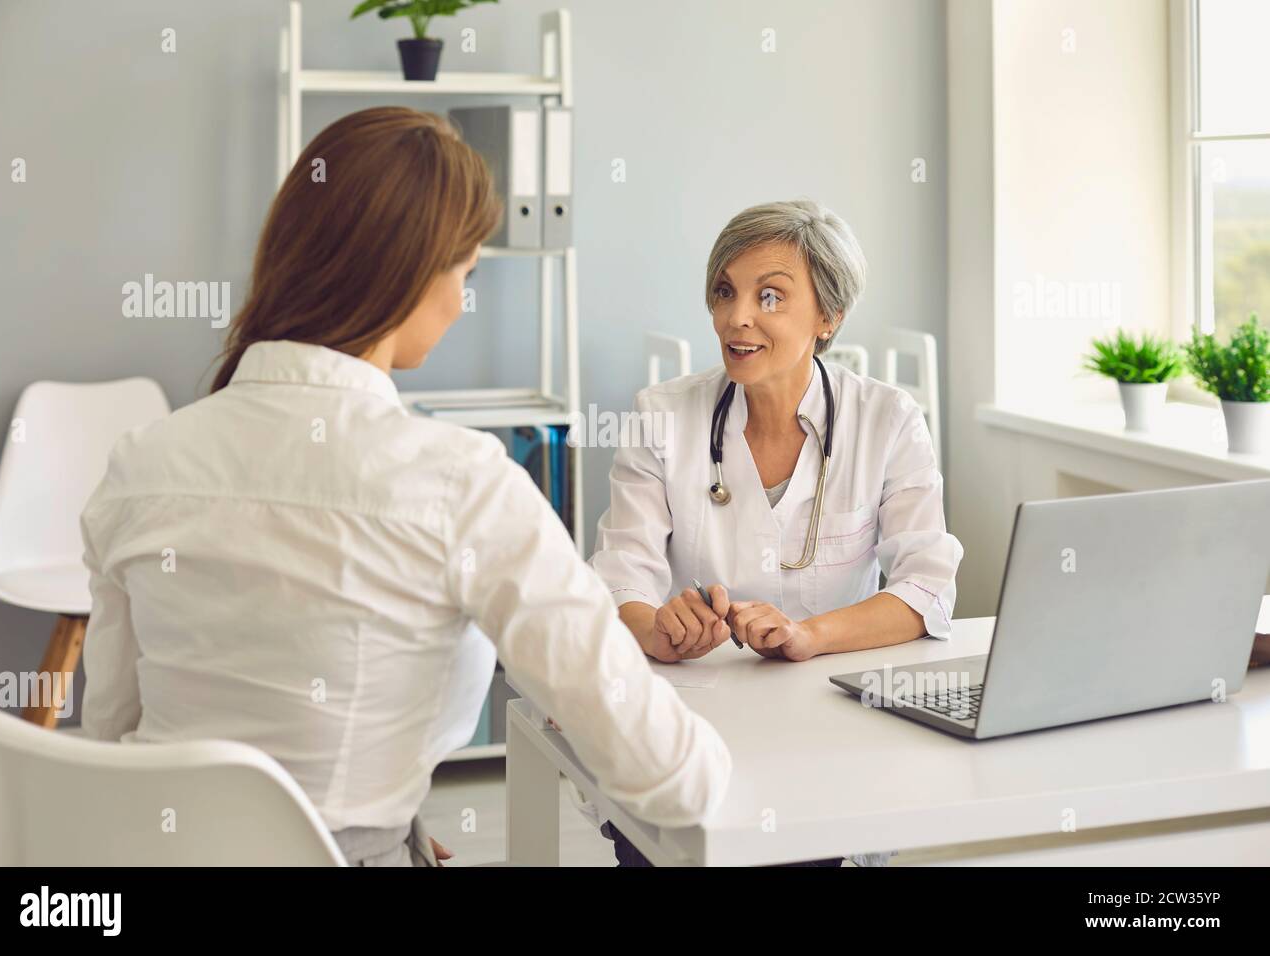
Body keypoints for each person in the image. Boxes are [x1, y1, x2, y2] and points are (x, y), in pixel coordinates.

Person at [79, 106, 730, 867]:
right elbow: (668, 776)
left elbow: (115, 737)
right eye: (467, 273)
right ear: (414, 275)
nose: (461, 303)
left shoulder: (140, 463)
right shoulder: (464, 483)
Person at [589, 199, 963, 865]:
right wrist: (658, 631)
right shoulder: (662, 418)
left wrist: (807, 636)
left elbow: (927, 588)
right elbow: (619, 574)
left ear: (828, 317)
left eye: (769, 296)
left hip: (830, 735)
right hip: (690, 736)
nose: (737, 318)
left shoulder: (888, 420)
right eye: (725, 292)